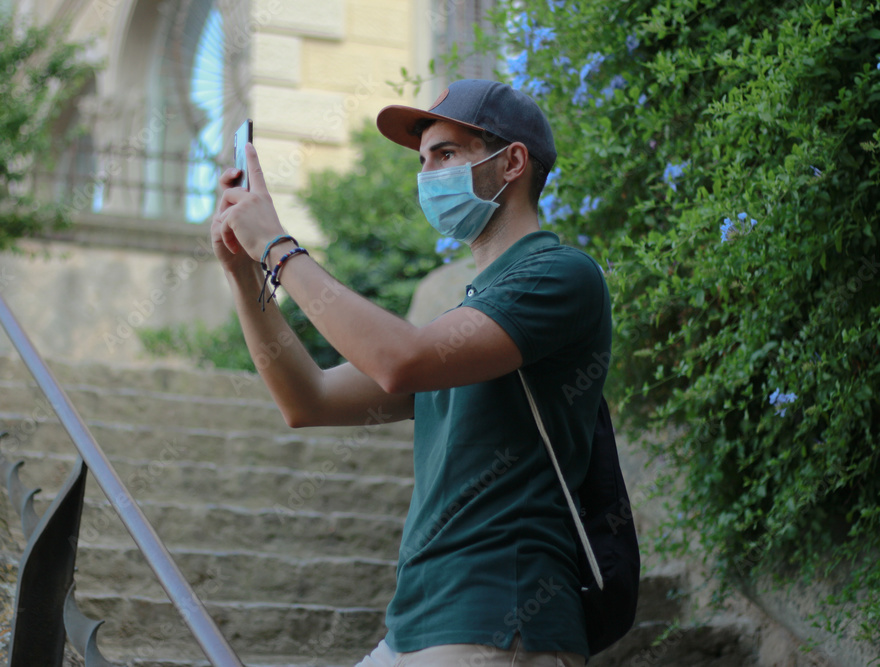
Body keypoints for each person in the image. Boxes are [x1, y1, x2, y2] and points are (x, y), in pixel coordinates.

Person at [210, 79, 610, 667]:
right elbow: (309, 400)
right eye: (423, 161)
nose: (427, 175)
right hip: (416, 626)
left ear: (513, 163)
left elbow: (399, 362)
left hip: (499, 622)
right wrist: (245, 276)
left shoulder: (561, 275)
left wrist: (276, 244)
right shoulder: (466, 318)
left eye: (446, 154)